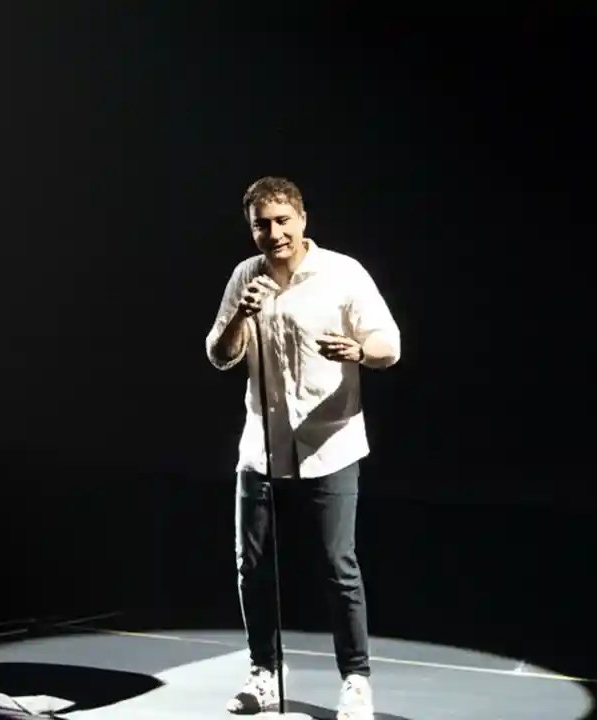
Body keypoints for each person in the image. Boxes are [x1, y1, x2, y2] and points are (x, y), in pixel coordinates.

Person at [205, 176, 401, 719]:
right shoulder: (246, 277)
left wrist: (359, 350)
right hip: (262, 445)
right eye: (261, 225)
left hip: (331, 442)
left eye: (281, 220)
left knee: (338, 565)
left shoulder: (342, 273)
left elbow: (390, 344)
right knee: (254, 565)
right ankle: (263, 674)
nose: (273, 233)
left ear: (302, 218)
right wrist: (243, 315)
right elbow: (219, 354)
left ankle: (356, 679)